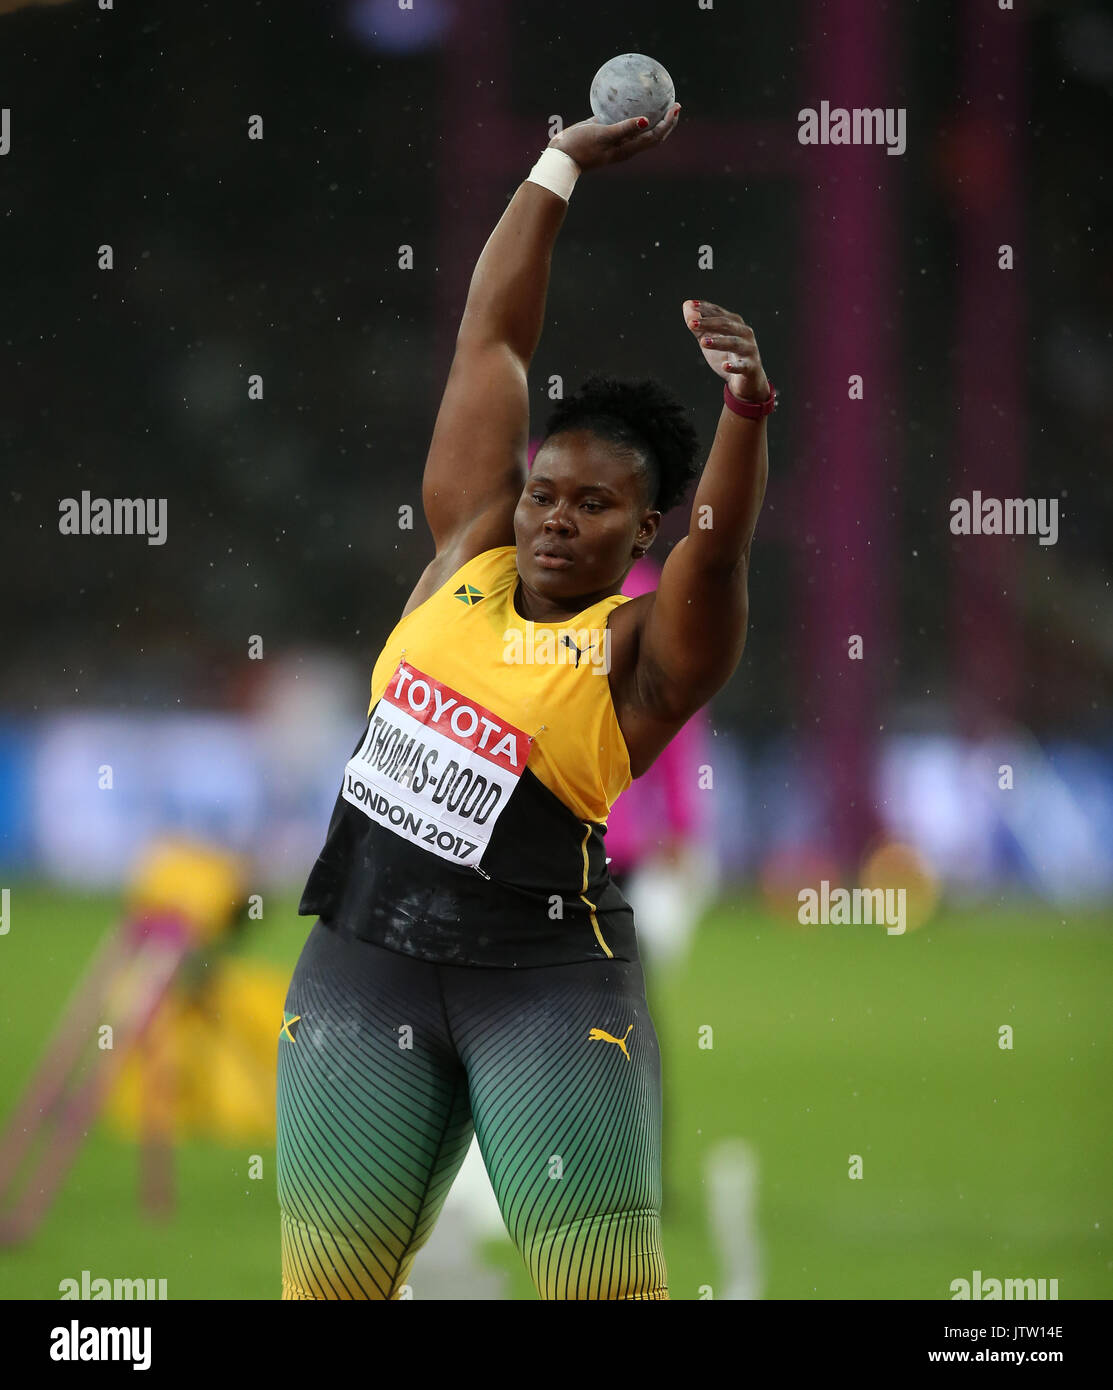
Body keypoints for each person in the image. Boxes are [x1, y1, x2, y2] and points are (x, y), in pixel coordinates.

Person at [276, 101, 774, 1301]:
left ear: (640, 528)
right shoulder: (466, 553)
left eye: (593, 507)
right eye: (547, 493)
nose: (555, 516)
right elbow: (490, 341)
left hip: (544, 989)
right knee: (326, 1292)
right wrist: (555, 164)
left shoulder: (645, 651)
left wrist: (748, 414)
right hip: (360, 964)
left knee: (601, 1292)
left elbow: (718, 550)